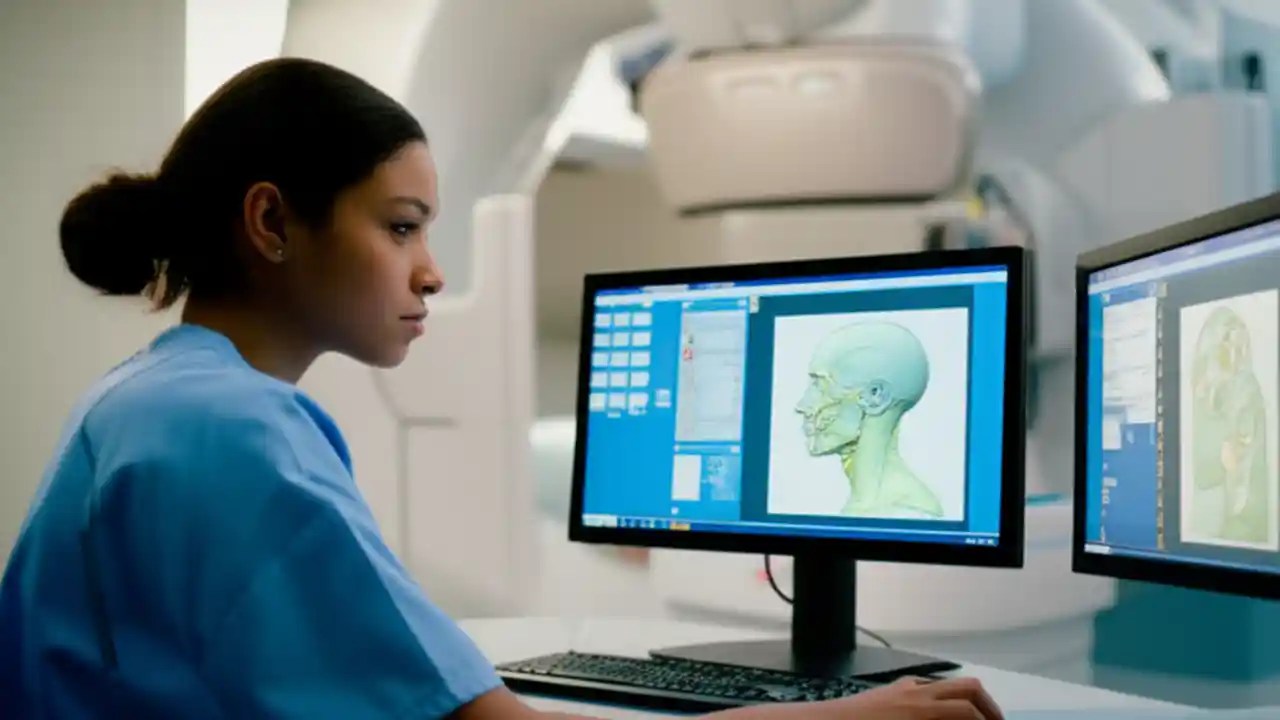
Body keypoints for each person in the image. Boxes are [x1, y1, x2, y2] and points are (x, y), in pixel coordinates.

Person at [0, 57, 1003, 720]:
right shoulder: (234, 431)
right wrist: (838, 718)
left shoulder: (157, 398)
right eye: (400, 227)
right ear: (271, 223)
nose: (431, 270)